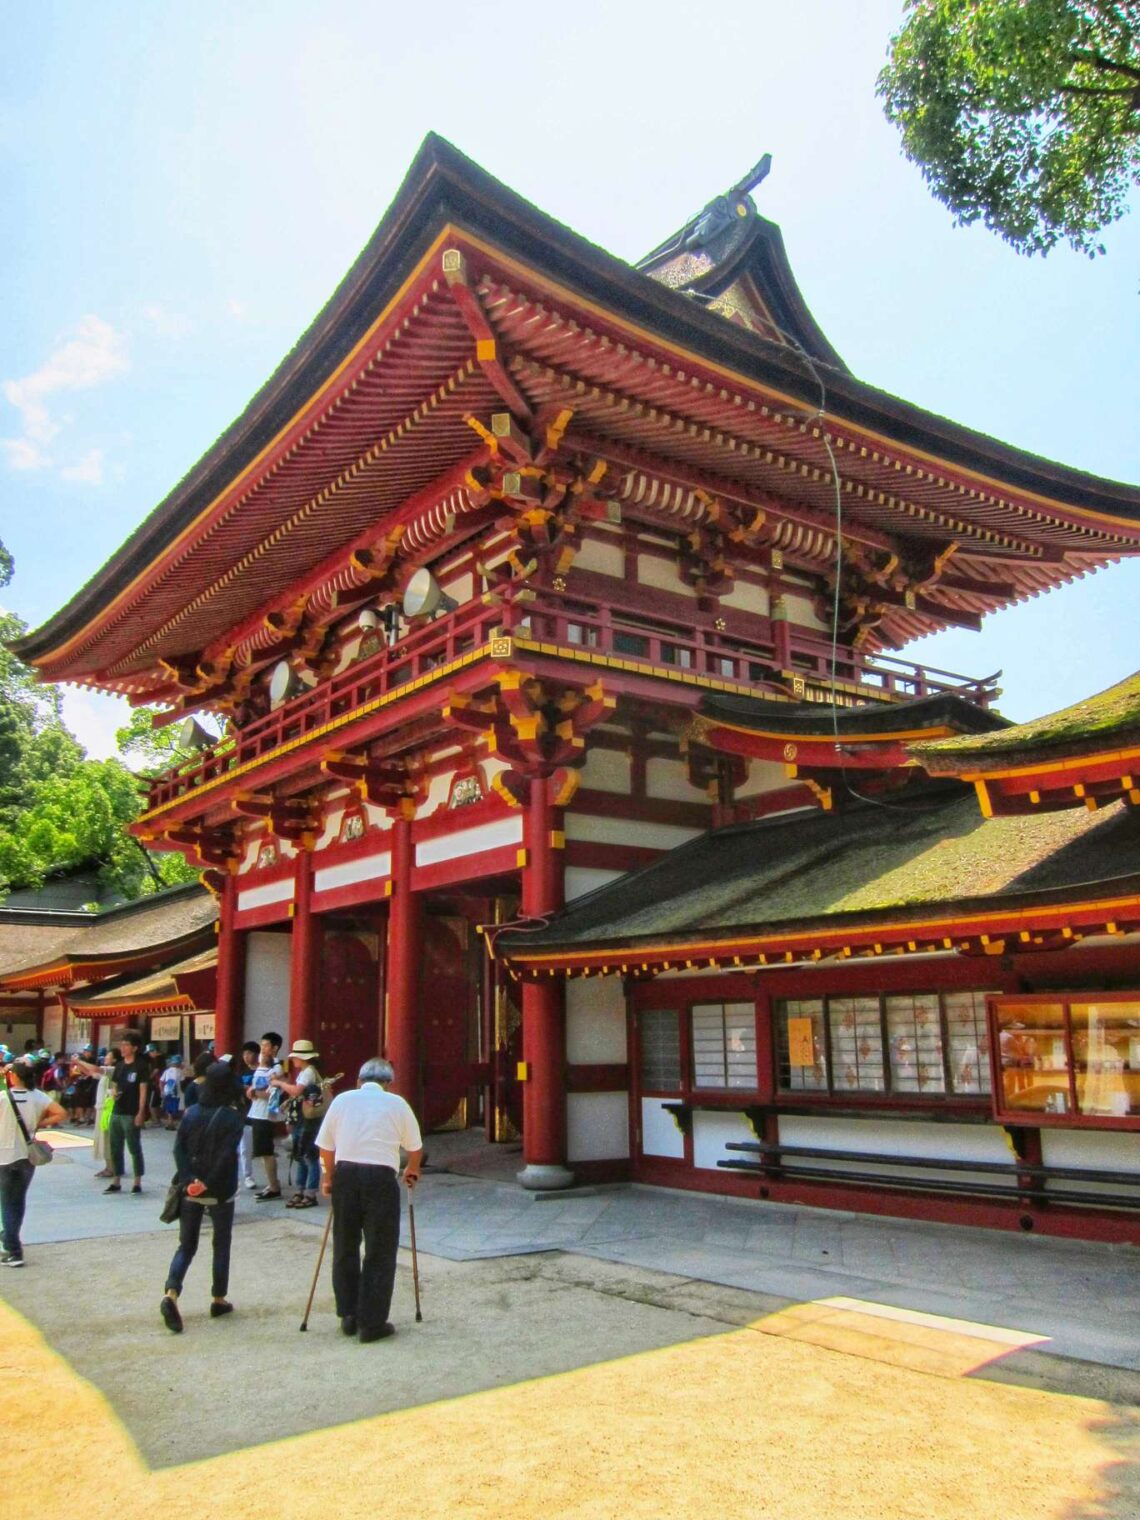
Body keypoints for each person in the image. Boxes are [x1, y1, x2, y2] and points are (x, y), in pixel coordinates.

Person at [316, 1058, 422, 1342]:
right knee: (379, 1249)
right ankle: (372, 1322)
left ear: (359, 1081)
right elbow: (415, 1149)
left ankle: (348, 1314)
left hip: (346, 1176)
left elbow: (325, 1147)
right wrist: (412, 1171)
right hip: (380, 1179)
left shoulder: (342, 1101)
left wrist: (328, 1178)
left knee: (345, 1245)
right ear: (388, 1083)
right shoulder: (397, 1103)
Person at [159, 1062, 245, 1332]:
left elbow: (178, 1150)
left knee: (186, 1245)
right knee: (221, 1244)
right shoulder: (233, 1118)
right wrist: (207, 1183)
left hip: (189, 1188)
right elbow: (226, 1156)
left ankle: (171, 1292)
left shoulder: (192, 1112)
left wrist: (189, 1180)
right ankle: (218, 1298)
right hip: (220, 1189)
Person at [1, 1056, 66, 1265]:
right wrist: (41, 1121)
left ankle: (13, 1248)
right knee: (17, 1201)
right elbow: (60, 1113)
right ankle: (10, 1240)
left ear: (15, 1076)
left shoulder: (4, 1097)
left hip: (5, 1155)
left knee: (7, 1203)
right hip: (27, 1157)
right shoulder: (37, 1096)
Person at [75, 1031, 150, 1194]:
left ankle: (137, 1181)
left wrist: (141, 1112)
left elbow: (143, 1090)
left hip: (131, 1111)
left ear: (135, 1048)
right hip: (117, 1109)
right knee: (115, 1146)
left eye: (126, 1045)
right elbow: (115, 1084)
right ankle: (116, 1180)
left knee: (134, 1147)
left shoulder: (141, 1066)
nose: (122, 1048)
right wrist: (114, 1092)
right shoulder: (120, 1066)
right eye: (121, 1045)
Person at [271, 1039, 327, 1209]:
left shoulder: (308, 1072)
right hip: (303, 1116)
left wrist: (280, 1083)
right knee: (300, 1154)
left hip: (309, 1119)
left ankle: (309, 1191)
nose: (293, 1060)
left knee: (309, 1155)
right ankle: (302, 1189)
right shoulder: (307, 1071)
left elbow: (296, 1091)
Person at [247, 1032, 284, 1200]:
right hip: (257, 1111)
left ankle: (274, 1186)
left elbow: (274, 1094)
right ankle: (272, 1184)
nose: (263, 1048)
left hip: (265, 1114)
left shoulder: (276, 1068)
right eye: (262, 1045)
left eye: (266, 1045)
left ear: (275, 1048)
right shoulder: (263, 1066)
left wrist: (255, 1091)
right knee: (263, 1152)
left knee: (266, 1152)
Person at [237, 1041, 259, 1188]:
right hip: (242, 1111)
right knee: (243, 1148)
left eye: (249, 1053)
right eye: (244, 1053)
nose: (246, 1056)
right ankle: (247, 1176)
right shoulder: (240, 1071)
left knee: (252, 1147)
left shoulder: (261, 1071)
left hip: (257, 1111)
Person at [92, 1049, 116, 1178]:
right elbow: (92, 1072)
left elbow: (95, 1069)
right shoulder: (106, 1072)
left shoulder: (112, 1071)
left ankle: (111, 1168)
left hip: (107, 1109)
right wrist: (78, 1063)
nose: (106, 1057)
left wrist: (79, 1061)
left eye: (109, 1055)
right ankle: (109, 1166)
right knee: (104, 1139)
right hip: (102, 1108)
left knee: (107, 1139)